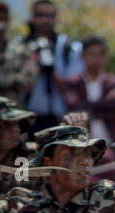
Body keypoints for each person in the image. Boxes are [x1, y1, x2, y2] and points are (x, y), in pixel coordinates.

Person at [22, 0, 81, 130]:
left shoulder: (68, 47)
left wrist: (50, 71)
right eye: (40, 15)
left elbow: (73, 89)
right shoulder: (20, 46)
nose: (45, 21)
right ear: (32, 17)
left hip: (60, 119)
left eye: (50, 16)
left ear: (56, 19)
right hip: (26, 118)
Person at [61, 36, 115, 151]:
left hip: (110, 142)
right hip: (81, 145)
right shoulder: (72, 82)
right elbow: (73, 107)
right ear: (83, 56)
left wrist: (86, 109)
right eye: (92, 54)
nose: (96, 58)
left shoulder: (113, 82)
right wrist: (102, 110)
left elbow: (114, 104)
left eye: (100, 54)